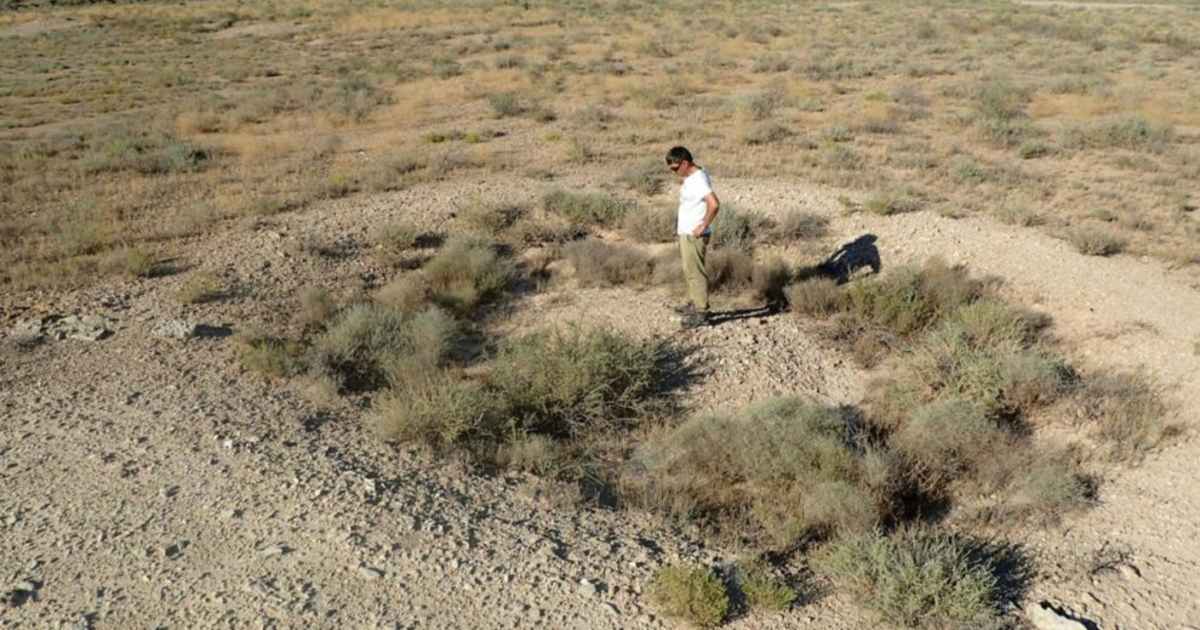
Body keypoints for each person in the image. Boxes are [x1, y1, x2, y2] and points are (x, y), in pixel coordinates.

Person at [666, 146, 720, 329]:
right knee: (690, 270)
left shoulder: (698, 180)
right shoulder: (693, 177)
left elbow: (714, 204)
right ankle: (694, 303)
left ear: (685, 163)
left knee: (696, 272)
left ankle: (702, 312)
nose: (674, 173)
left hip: (694, 235)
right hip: (687, 233)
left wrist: (703, 225)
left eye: (675, 168)